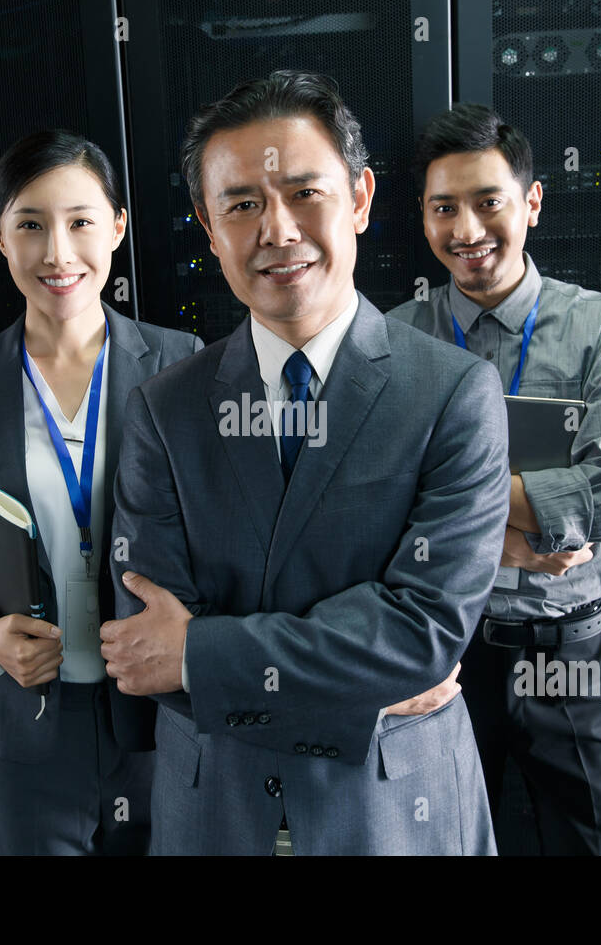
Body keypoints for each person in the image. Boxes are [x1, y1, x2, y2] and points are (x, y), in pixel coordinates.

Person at [99, 70, 511, 855]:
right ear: (209, 227)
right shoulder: (163, 408)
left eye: (303, 193)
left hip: (393, 807)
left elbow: (424, 632)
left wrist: (201, 651)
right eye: (243, 204)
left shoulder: (455, 393)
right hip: (217, 809)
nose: (277, 230)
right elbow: (144, 643)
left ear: (359, 197)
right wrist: (370, 679)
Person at [0, 129, 203, 855]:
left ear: (119, 227)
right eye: (30, 225)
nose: (57, 253)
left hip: (161, 713)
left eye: (80, 222)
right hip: (26, 718)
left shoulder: (182, 363)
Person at [389, 104, 601, 855]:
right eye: (444, 208)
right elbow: (366, 504)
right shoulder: (392, 339)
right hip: (440, 648)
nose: (466, 229)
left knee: (593, 844)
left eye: (488, 202)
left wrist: (449, 505)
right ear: (423, 216)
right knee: (435, 841)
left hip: (567, 653)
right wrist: (503, 540)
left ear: (531, 204)